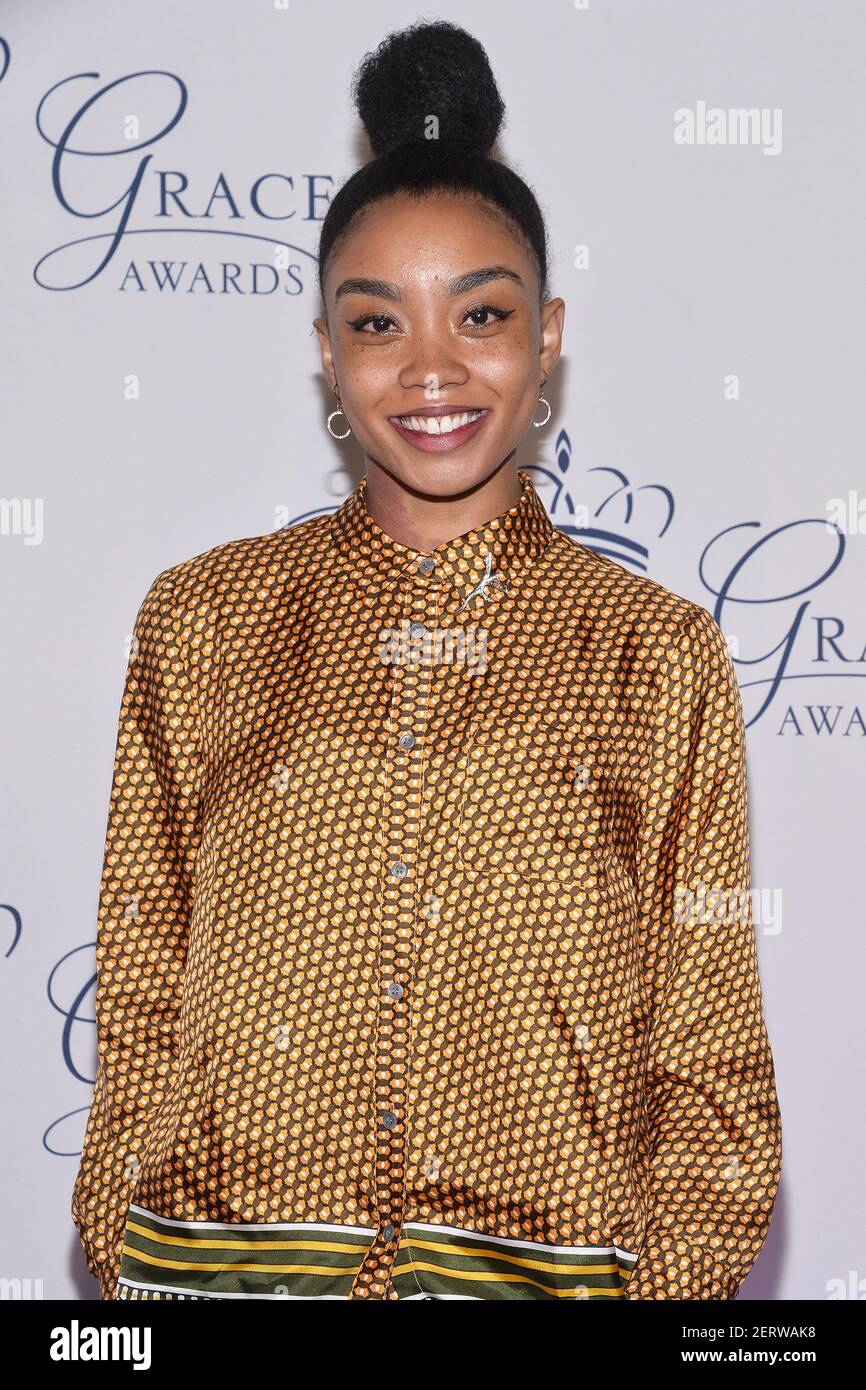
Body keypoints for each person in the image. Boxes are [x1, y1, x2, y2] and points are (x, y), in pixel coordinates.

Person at [71, 18, 782, 1301]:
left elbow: (711, 1041)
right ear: (327, 351)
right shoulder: (203, 620)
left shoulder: (655, 656)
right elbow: (138, 982)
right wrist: (127, 1260)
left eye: (482, 313)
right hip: (219, 1278)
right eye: (378, 323)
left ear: (547, 334)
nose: (433, 369)